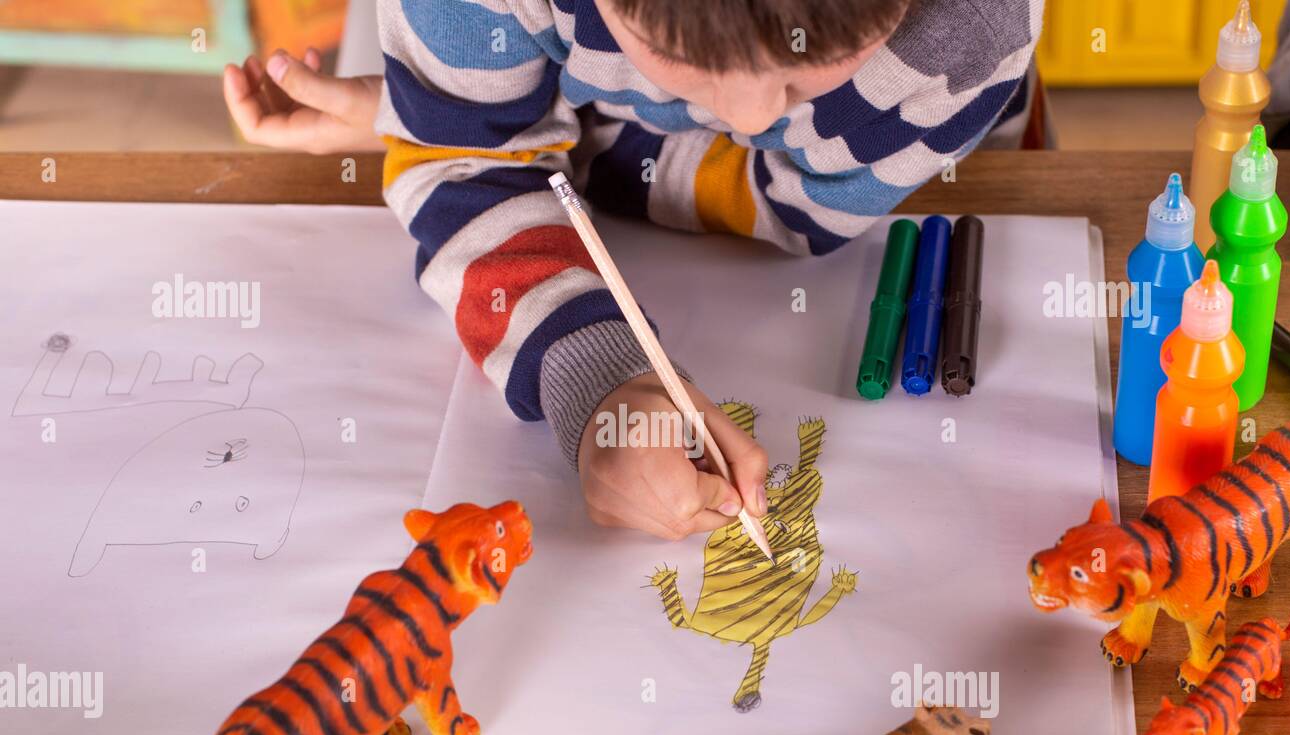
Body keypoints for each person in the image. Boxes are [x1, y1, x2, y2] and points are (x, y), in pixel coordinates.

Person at [224, 0, 1044, 540]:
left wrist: (494, 136)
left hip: (967, 168)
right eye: (675, 53)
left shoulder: (971, 31)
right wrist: (596, 373)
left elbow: (790, 208)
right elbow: (463, 159)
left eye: (801, 67)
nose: (755, 112)